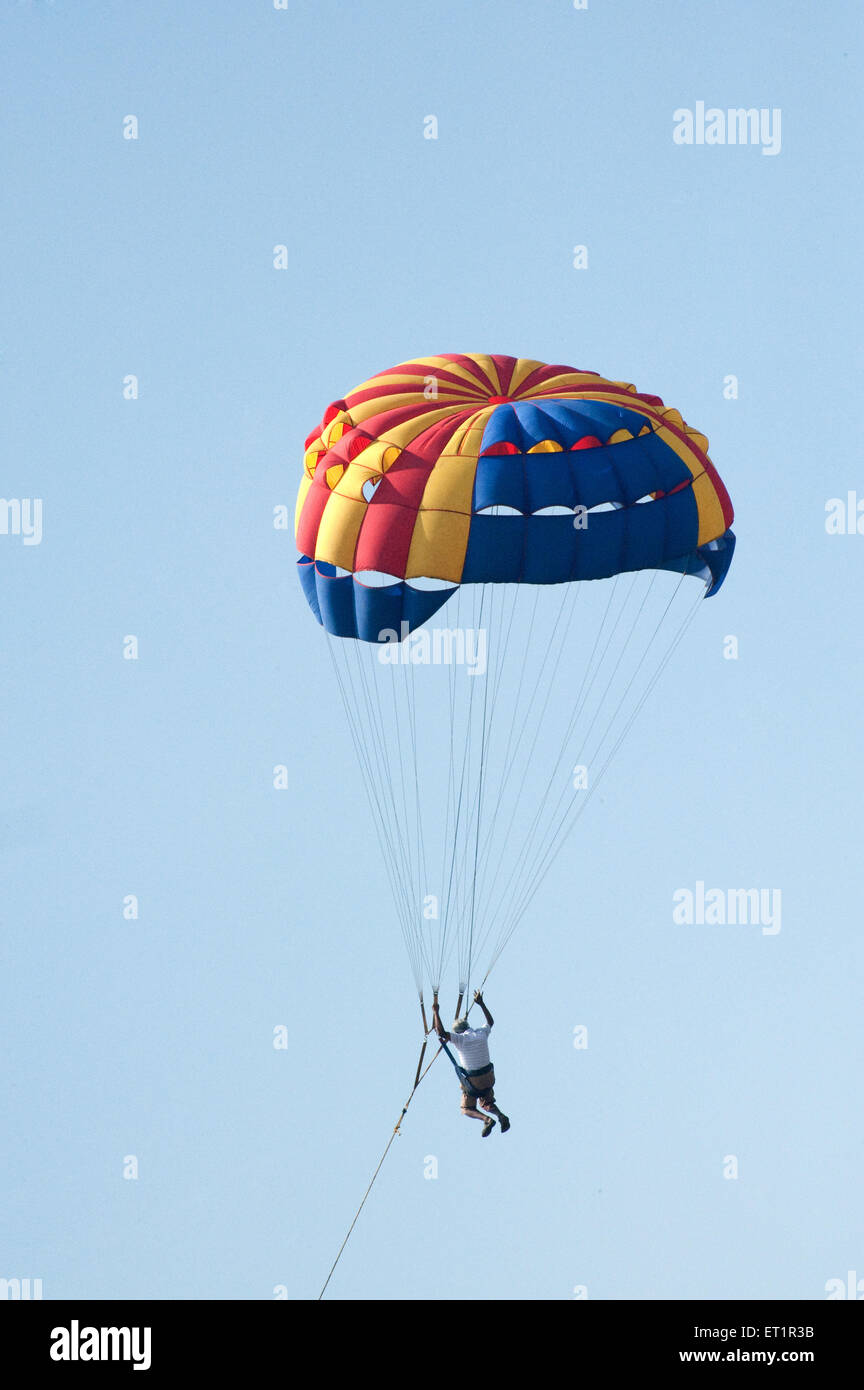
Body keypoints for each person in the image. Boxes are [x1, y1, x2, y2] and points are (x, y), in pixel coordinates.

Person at [432, 990, 511, 1138]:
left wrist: (435, 1012)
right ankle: (500, 1116)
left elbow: (442, 1033)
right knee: (486, 1102)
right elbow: (490, 1022)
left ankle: (487, 1120)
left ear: (458, 1032)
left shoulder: (460, 1040)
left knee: (466, 1108)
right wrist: (481, 1003)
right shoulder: (481, 1033)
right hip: (489, 1079)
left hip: (475, 1083)